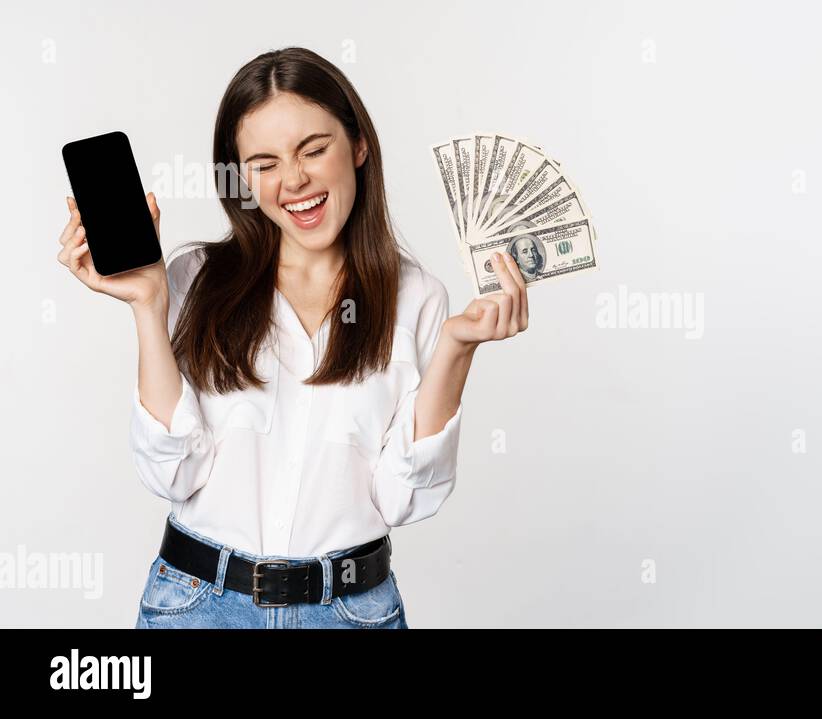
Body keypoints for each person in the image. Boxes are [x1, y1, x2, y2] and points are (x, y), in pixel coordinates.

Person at [54, 47, 530, 628]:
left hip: (350, 611)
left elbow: (403, 499)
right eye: (264, 162)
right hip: (198, 607)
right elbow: (170, 473)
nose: (294, 180)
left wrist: (458, 349)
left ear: (358, 146)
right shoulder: (192, 277)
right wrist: (150, 308)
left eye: (313, 149)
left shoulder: (419, 298)